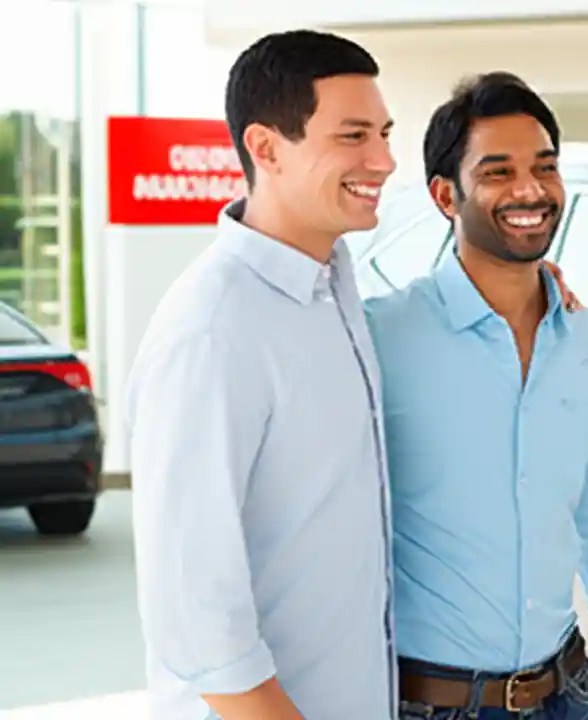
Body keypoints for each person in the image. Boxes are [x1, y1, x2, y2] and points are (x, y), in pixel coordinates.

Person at [364, 71, 588, 720]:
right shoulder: (379, 334)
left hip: (569, 695)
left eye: (545, 167)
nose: (530, 190)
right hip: (432, 704)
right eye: (497, 172)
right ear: (446, 196)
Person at [124, 30, 400, 720]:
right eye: (354, 136)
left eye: (385, 134)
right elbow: (196, 616)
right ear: (266, 147)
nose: (385, 160)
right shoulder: (211, 328)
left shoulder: (335, 288)